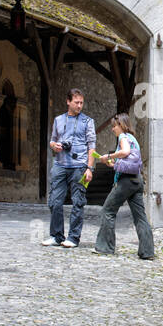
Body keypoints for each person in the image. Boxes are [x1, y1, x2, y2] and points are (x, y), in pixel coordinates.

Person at [94, 113, 155, 260]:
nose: (113, 129)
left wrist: (108, 156)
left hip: (126, 181)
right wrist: (111, 164)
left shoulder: (123, 137)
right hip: (137, 180)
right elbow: (128, 161)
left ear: (122, 125)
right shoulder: (133, 139)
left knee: (108, 210)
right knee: (140, 217)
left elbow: (125, 152)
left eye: (114, 126)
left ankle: (105, 247)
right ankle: (147, 252)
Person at [43, 88, 95, 248]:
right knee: (54, 201)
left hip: (79, 166)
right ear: (68, 102)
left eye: (81, 102)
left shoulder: (88, 121)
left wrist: (89, 168)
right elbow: (52, 140)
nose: (79, 106)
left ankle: (73, 238)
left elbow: (91, 146)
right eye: (76, 102)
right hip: (59, 165)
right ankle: (57, 236)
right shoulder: (58, 120)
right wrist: (55, 146)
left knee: (78, 202)